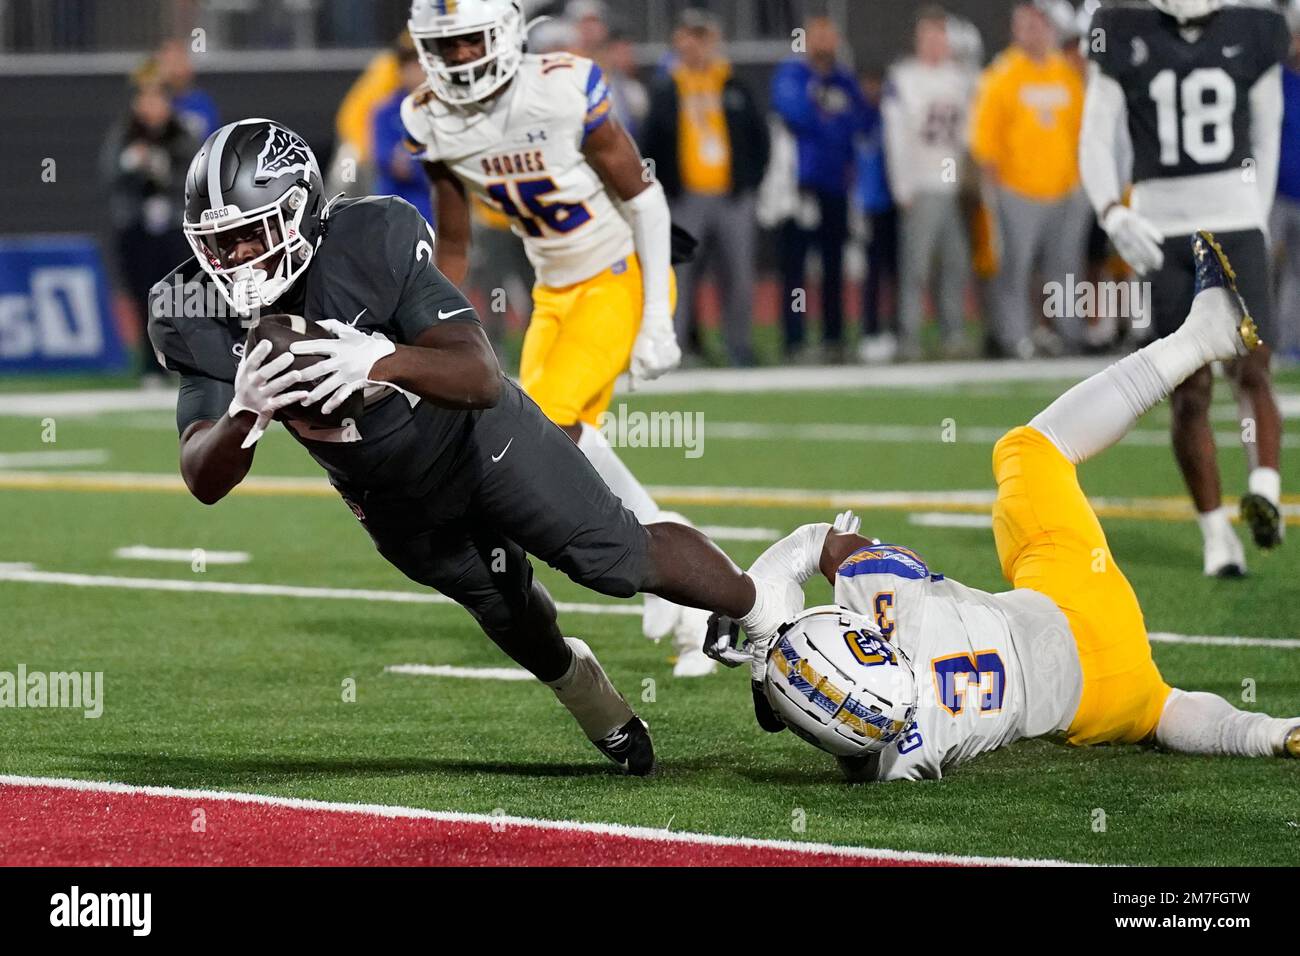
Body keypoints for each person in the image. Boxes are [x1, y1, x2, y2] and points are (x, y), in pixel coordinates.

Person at [148, 119, 793, 777]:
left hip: (480, 441)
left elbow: (479, 374)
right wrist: (242, 413)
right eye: (217, 245)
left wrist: (383, 360)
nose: (233, 261)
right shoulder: (192, 307)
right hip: (389, 498)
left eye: (248, 236)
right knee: (510, 612)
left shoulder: (370, 239)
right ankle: (586, 691)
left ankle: (762, 610)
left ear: (298, 210)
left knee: (617, 560)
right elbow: (203, 475)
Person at [707, 233, 1300, 781]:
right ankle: (1203, 336)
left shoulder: (903, 755)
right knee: (1031, 449)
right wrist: (761, 610)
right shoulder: (885, 598)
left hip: (1098, 697)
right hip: (1071, 594)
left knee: (1161, 711)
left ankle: (1269, 732)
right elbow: (822, 545)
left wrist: (772, 682)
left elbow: (834, 739)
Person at [401, 0, 714, 675]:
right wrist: (431, 331)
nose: (457, 60)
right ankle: (671, 547)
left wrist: (659, 313)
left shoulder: (564, 86)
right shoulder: (429, 117)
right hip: (553, 293)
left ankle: (668, 563)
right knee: (556, 443)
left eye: (470, 42)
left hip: (615, 273)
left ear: (507, 33)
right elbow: (454, 242)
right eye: (444, 46)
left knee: (536, 431)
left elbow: (643, 196)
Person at [1080, 0, 1289, 576]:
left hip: (1234, 217)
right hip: (1162, 227)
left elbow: (1267, 134)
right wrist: (1112, 213)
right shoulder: (1120, 28)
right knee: (1188, 387)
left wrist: (1252, 212)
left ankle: (1265, 491)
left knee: (1252, 364)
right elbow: (1095, 134)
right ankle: (1215, 534)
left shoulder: (1258, 28)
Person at [640, 8, 768, 367]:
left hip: (731, 197)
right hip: (684, 200)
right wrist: (664, 191)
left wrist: (749, 182)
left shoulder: (733, 84)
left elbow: (760, 140)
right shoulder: (667, 89)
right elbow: (649, 146)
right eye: (688, 36)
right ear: (679, 41)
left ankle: (739, 347)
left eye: (702, 36)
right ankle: (673, 351)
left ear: (713, 40)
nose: (695, 45)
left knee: (739, 277)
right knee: (678, 279)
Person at [968, 0, 1088, 359]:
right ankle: (1015, 338)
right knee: (1014, 269)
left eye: (1039, 25)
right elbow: (984, 141)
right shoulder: (1001, 75)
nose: (1033, 32)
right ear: (1015, 31)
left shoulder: (1065, 74)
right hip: (1016, 189)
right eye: (1026, 26)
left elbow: (1082, 130)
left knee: (1066, 269)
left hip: (1066, 189)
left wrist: (1082, 182)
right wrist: (992, 191)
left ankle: (1071, 335)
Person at [770, 16, 875, 363]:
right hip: (800, 185)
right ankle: (794, 340)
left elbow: (857, 122)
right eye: (818, 37)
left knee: (834, 265)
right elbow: (797, 115)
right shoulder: (792, 75)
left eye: (829, 37)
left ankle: (834, 337)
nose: (824, 44)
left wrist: (826, 117)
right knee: (796, 266)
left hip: (836, 184)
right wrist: (828, 117)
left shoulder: (843, 79)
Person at [882, 6, 974, 361]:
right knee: (915, 268)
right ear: (918, 40)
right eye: (929, 36)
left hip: (953, 185)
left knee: (955, 263)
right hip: (921, 182)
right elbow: (896, 136)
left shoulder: (960, 77)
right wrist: (902, 184)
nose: (935, 44)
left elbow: (967, 134)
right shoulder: (904, 77)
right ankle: (910, 338)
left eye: (941, 36)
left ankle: (952, 334)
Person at [102, 60, 198, 382]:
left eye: (158, 99)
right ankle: (148, 364)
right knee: (143, 293)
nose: (152, 106)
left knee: (179, 294)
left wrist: (164, 168)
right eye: (146, 98)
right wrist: (133, 163)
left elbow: (194, 177)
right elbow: (109, 174)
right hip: (137, 228)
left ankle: (181, 360)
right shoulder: (124, 133)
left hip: (173, 227)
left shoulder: (183, 133)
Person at [855, 68, 898, 365]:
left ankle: (893, 329)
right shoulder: (857, 119)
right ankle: (869, 329)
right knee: (871, 273)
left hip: (892, 203)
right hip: (867, 205)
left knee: (894, 272)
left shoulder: (892, 117)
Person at [371, 35, 435, 224]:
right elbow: (389, 161)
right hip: (393, 215)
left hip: (435, 214)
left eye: (420, 64)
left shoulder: (442, 110)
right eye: (411, 65)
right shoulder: (385, 111)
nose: (417, 72)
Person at [1271, 1, 1300, 362]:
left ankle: (1292, 341)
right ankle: (1253, 341)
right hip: (1273, 194)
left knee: (1297, 276)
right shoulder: (1275, 80)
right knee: (1255, 271)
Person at [156, 38, 220, 142]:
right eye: (168, 63)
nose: (173, 71)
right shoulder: (148, 101)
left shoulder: (201, 103)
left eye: (177, 62)